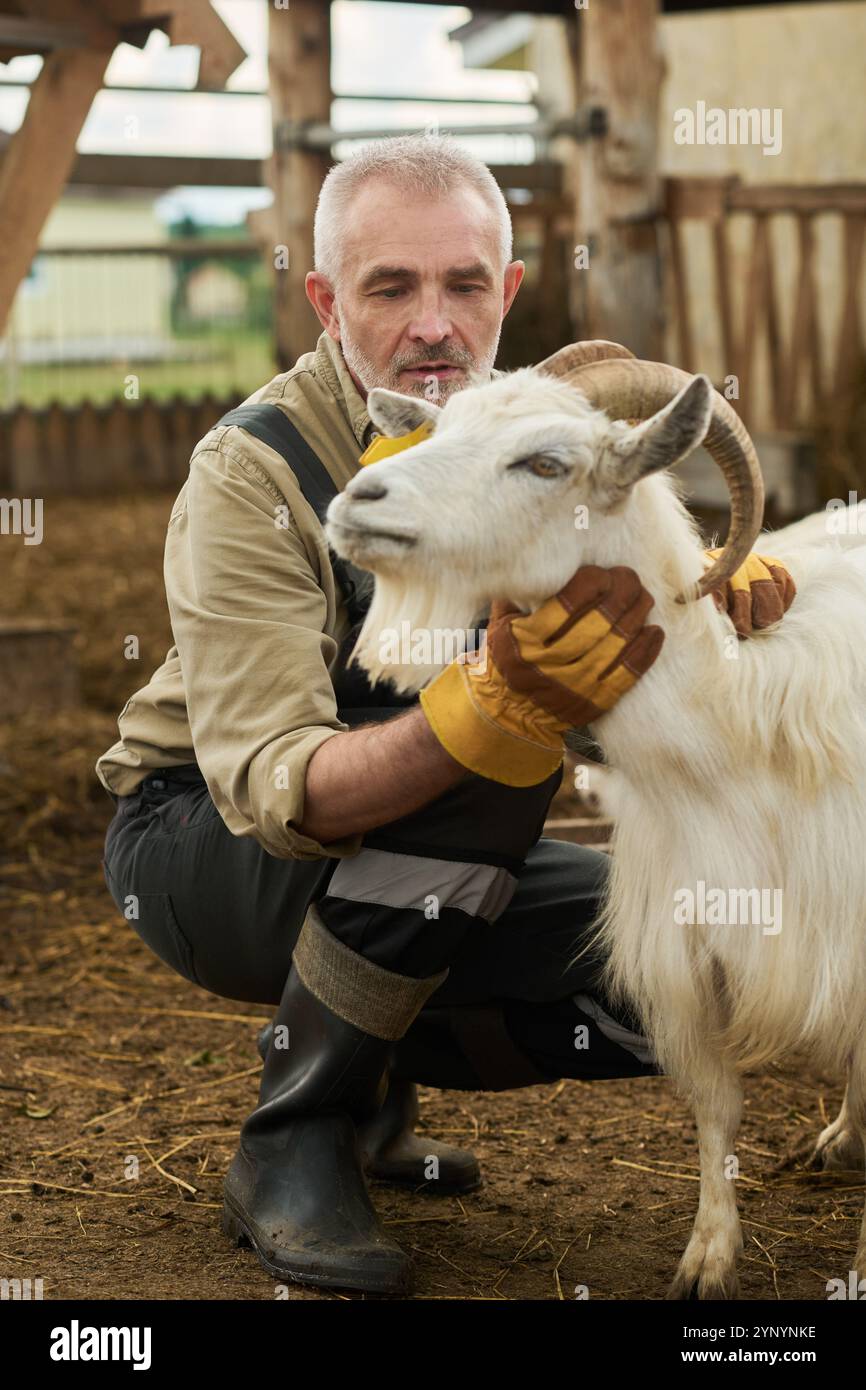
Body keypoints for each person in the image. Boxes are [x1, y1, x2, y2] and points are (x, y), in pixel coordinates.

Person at [95, 134, 795, 1297]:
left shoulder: (529, 452)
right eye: (389, 287)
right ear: (325, 299)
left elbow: (629, 701)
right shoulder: (252, 473)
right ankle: (294, 1140)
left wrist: (699, 605)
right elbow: (279, 783)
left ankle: (367, 1074)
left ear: (507, 291)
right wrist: (491, 708)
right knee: (494, 761)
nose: (435, 323)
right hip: (206, 844)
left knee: (683, 962)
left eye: (464, 284)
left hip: (412, 855)